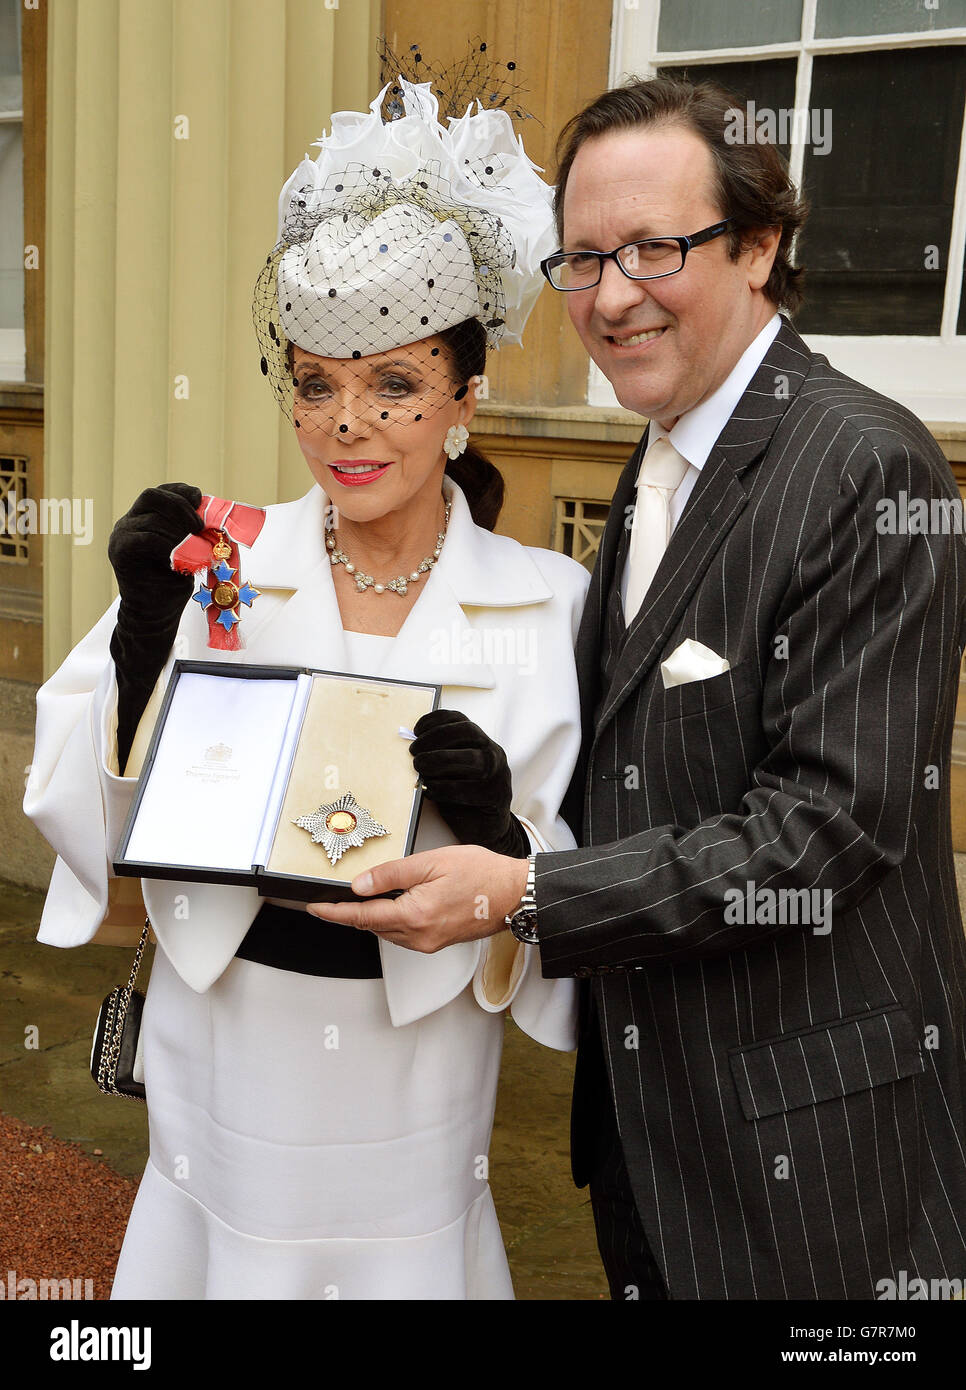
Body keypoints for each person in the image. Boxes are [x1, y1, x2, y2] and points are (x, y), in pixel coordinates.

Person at [310, 74, 966, 1300]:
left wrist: (525, 892)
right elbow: (635, 767)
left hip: (814, 1163)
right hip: (652, 1144)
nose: (612, 297)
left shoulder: (867, 465)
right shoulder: (661, 456)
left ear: (760, 246)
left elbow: (827, 828)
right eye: (583, 259)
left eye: (656, 249)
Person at [23, 75, 589, 1300]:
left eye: (395, 385)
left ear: (466, 395)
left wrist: (503, 839)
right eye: (318, 383)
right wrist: (140, 651)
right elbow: (80, 815)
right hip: (224, 1046)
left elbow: (579, 876)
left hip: (416, 1081)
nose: (348, 425)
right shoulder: (218, 567)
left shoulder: (549, 604)